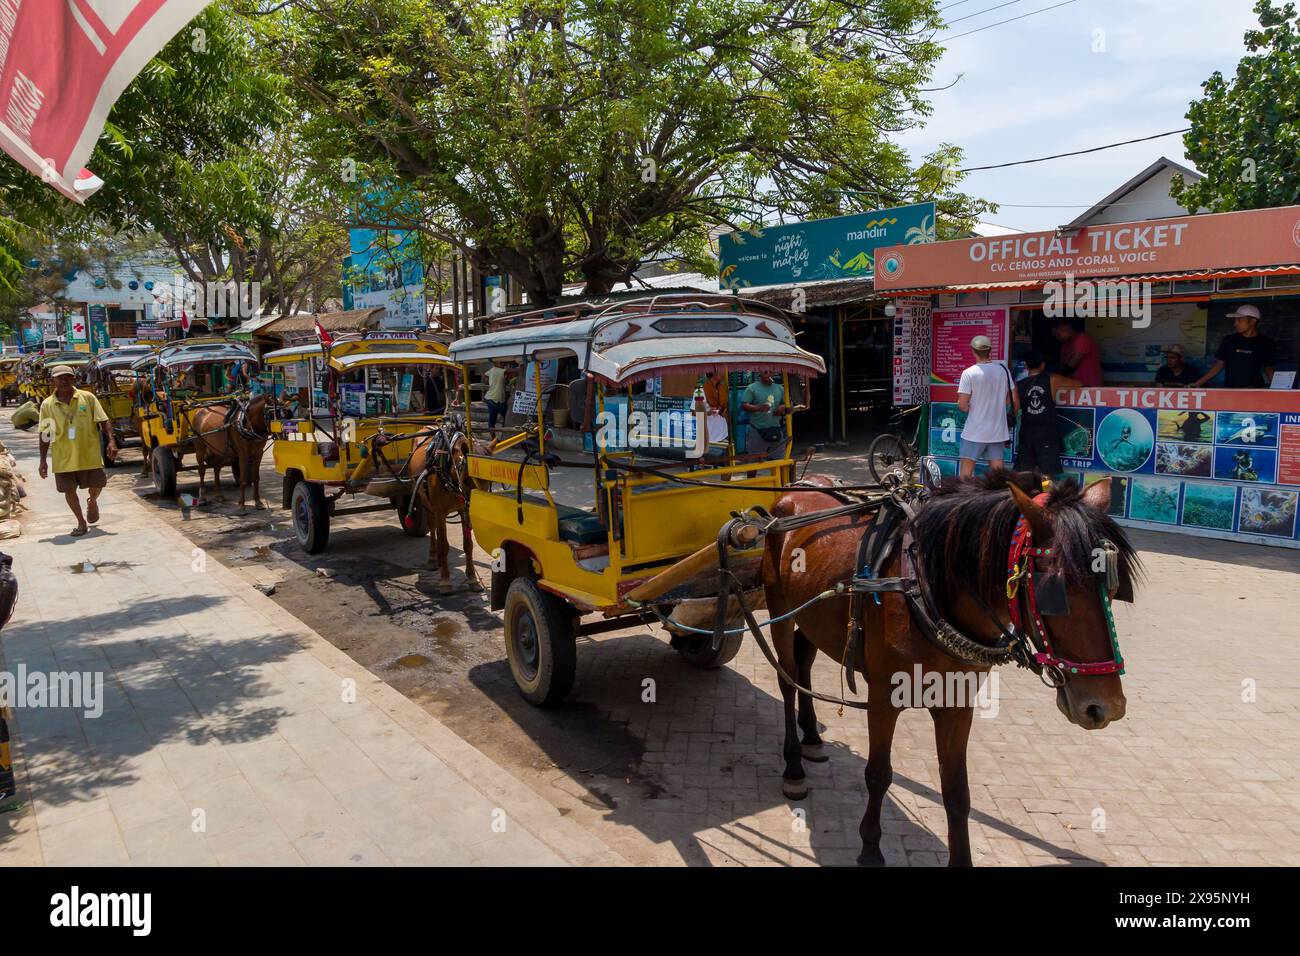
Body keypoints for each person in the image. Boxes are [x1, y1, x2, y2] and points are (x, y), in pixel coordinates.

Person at [37, 365, 116, 537]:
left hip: (89, 454)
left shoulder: (87, 398)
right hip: (63, 457)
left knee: (98, 484)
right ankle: (81, 522)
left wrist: (111, 441)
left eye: (68, 377)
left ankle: (92, 502)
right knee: (68, 490)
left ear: (74, 379)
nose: (64, 380)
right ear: (53, 381)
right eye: (59, 377)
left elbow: (103, 420)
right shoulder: (47, 405)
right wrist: (42, 460)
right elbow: (45, 433)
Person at [957, 335, 1018, 476]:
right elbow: (1010, 400)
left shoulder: (968, 373)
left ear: (972, 351)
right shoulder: (1003, 370)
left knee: (966, 475)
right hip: (997, 432)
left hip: (974, 432)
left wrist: (970, 406)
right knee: (999, 474)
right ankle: (1001, 497)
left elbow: (962, 405)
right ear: (990, 350)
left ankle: (965, 498)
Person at [1014, 350, 1079, 477]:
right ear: (1043, 365)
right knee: (1046, 474)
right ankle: (1045, 496)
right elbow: (1078, 384)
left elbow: (1015, 409)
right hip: (1047, 435)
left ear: (1026, 366)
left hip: (1026, 434)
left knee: (1025, 473)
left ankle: (1026, 494)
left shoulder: (1018, 385)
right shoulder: (1053, 379)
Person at [1192, 304, 1275, 388]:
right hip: (1231, 391)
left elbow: (1268, 368)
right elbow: (1218, 366)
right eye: (1235, 320)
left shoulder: (1265, 343)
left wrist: (1279, 387)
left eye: (1239, 320)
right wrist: (1198, 383)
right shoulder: (1229, 340)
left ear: (1253, 321)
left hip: (1255, 391)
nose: (1235, 324)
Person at [740, 371, 790, 461]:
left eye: (770, 370)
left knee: (779, 462)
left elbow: (788, 405)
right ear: (760, 372)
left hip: (776, 429)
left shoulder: (780, 388)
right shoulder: (752, 388)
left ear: (774, 372)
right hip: (757, 430)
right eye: (765, 371)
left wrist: (782, 408)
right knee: (754, 463)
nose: (767, 372)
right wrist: (758, 407)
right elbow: (744, 405)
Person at [1051, 318, 1103, 387]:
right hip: (1073, 384)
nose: (1058, 338)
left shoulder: (1082, 338)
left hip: (1088, 385)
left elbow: (1073, 363)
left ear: (1066, 329)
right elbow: (1062, 364)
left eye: (1058, 335)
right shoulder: (1065, 344)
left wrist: (1057, 377)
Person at [483, 361, 513, 433]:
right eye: (502, 363)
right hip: (498, 398)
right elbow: (512, 372)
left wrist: (490, 382)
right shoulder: (503, 371)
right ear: (496, 363)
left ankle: (493, 437)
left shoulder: (491, 370)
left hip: (489, 397)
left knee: (492, 419)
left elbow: (484, 375)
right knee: (506, 417)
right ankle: (505, 434)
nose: (503, 364)